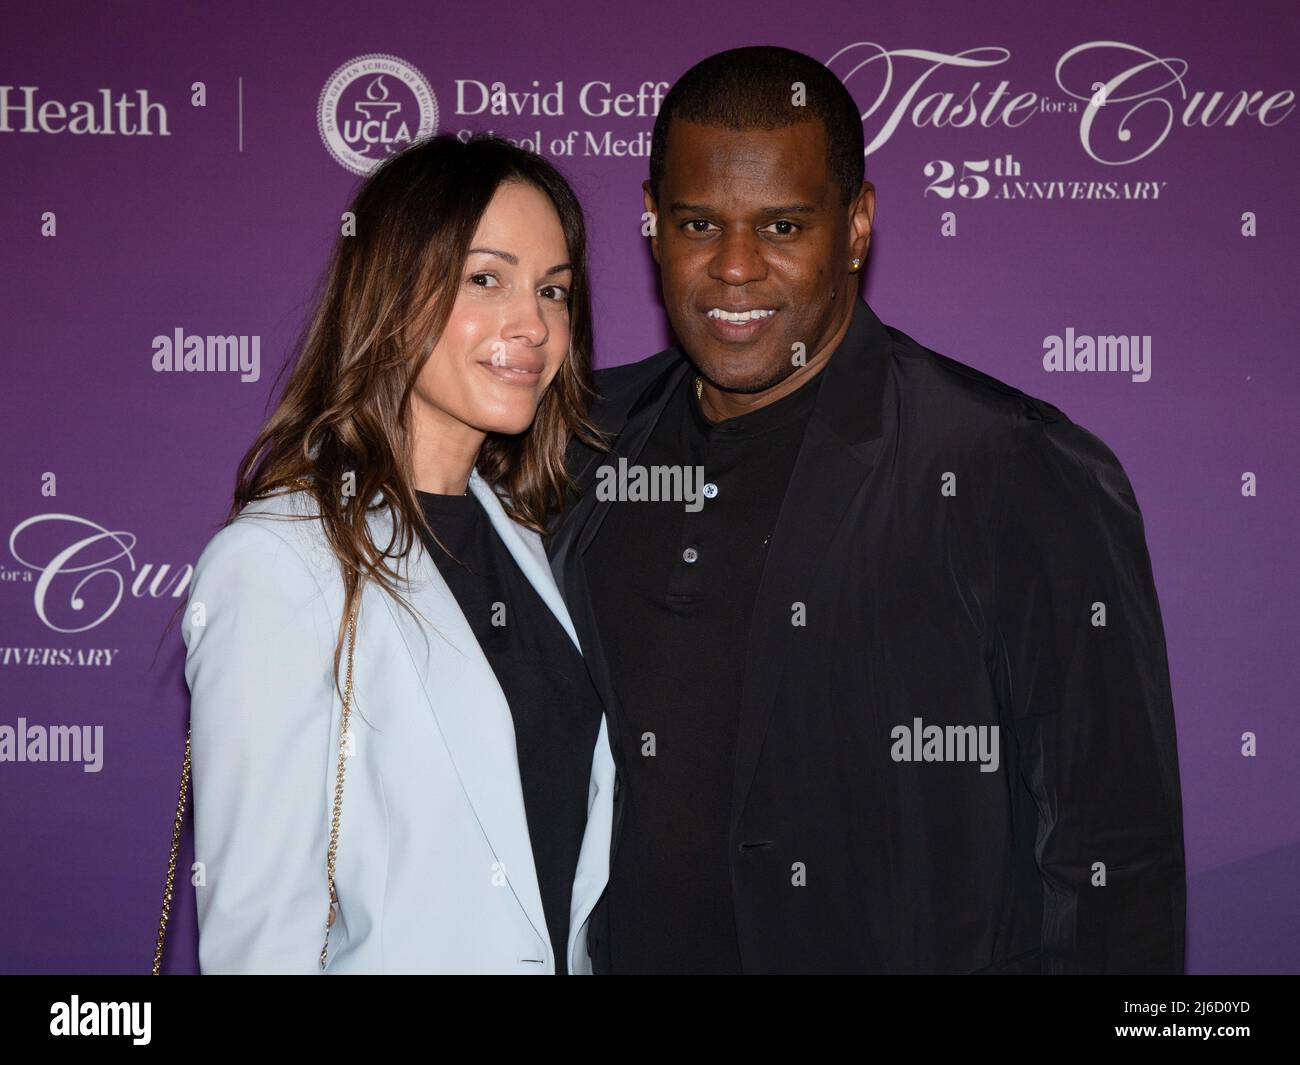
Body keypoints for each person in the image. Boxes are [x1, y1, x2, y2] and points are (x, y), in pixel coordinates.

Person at [546, 46, 1187, 974]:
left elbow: (1110, 863)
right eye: (697, 223)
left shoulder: (1010, 464)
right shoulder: (578, 439)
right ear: (650, 220)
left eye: (782, 225)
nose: (734, 268)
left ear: (855, 225)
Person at [180, 133, 613, 974]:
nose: (532, 325)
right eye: (485, 278)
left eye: (553, 291)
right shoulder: (279, 564)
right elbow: (259, 934)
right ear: (390, 288)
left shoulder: (535, 543)